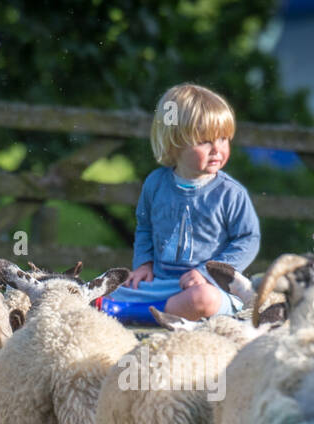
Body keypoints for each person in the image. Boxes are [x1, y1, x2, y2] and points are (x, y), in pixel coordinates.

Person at [102, 83, 261, 321]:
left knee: (203, 300)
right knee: (109, 283)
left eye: (223, 139)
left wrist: (207, 273)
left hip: (210, 287)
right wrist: (144, 265)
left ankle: (134, 314)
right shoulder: (156, 184)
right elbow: (145, 227)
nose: (217, 149)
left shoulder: (230, 193)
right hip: (161, 284)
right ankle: (142, 309)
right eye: (205, 141)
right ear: (174, 142)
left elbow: (248, 239)